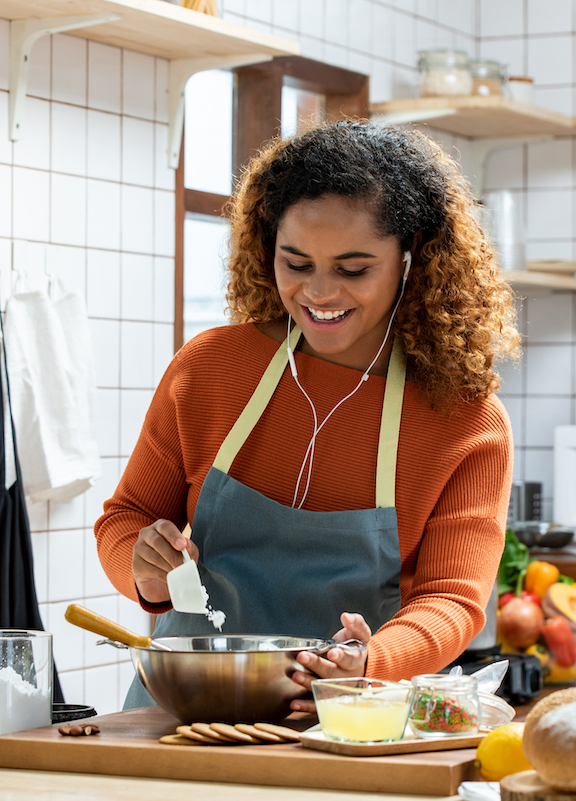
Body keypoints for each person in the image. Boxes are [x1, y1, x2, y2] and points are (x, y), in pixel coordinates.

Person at [94, 121, 519, 712]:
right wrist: (144, 572)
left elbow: (452, 598)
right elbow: (127, 518)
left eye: (352, 269)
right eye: (296, 263)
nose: (319, 293)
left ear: (410, 256)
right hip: (178, 717)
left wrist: (371, 662)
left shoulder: (464, 420)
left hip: (344, 722)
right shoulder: (211, 368)